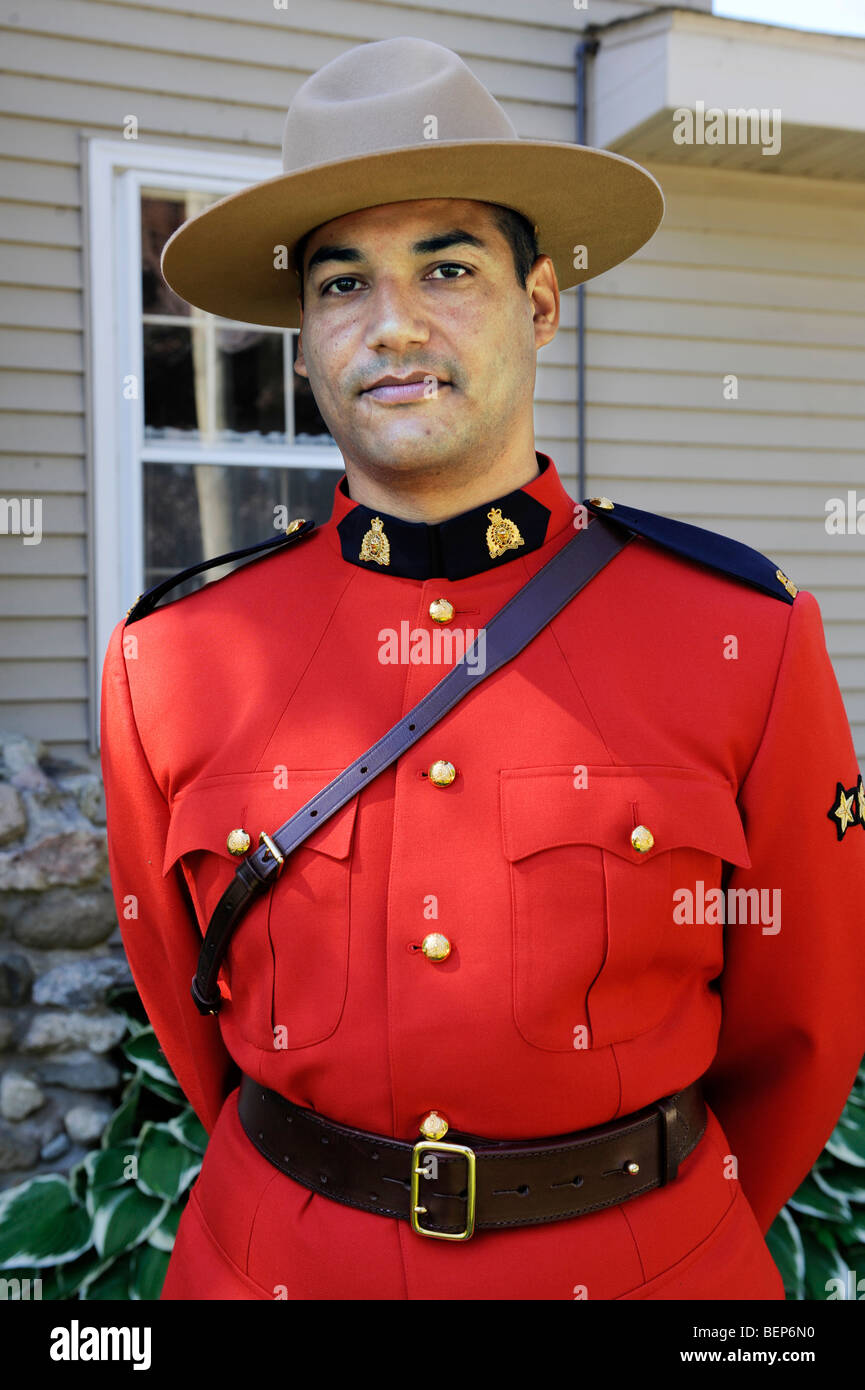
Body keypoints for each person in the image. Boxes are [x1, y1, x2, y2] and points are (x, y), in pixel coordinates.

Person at [100, 36, 865, 1301]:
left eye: (447, 268)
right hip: (276, 1266)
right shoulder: (170, 659)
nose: (391, 322)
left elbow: (802, 1033)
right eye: (341, 284)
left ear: (541, 302)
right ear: (303, 345)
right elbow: (194, 1025)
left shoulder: (742, 637)